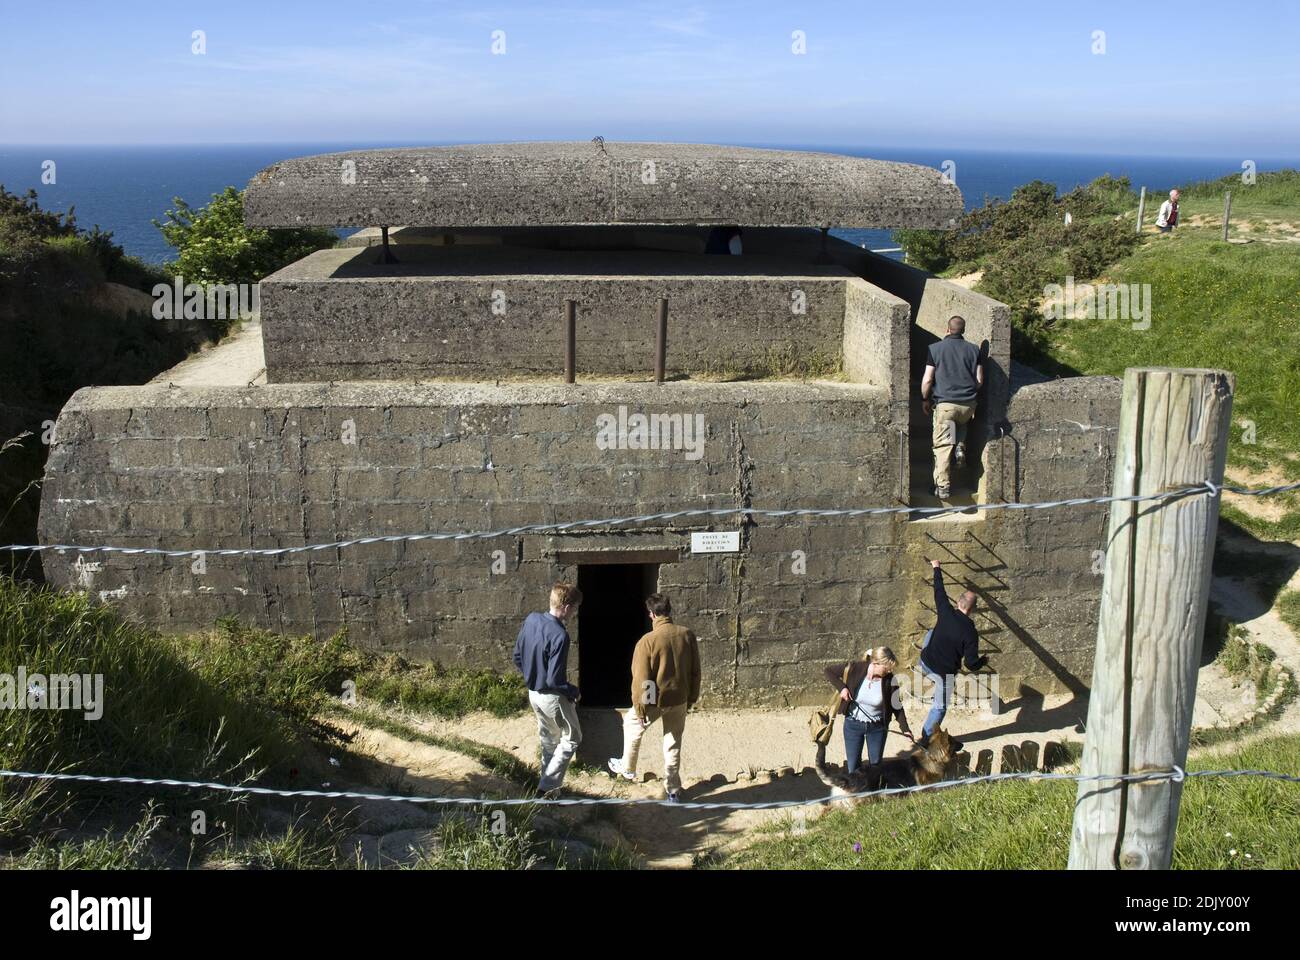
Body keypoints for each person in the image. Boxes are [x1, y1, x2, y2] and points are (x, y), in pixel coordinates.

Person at [607, 593, 701, 803]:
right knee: (673, 742)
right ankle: (673, 790)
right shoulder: (687, 634)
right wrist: (692, 696)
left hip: (656, 699)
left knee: (631, 724)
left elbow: (642, 678)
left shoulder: (647, 641)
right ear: (669, 611)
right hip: (680, 698)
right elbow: (696, 670)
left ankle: (628, 768)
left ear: (651, 614)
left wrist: (641, 708)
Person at [513, 582, 583, 794]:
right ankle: (547, 787)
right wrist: (574, 691)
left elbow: (517, 656)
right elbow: (555, 680)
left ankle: (553, 793)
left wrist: (532, 675)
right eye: (575, 608)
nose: (575, 613)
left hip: (533, 693)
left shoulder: (532, 619)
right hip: (552, 696)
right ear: (567, 607)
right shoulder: (560, 636)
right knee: (572, 738)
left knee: (548, 741)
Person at [918, 560, 986, 742]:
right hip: (943, 673)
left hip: (925, 660)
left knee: (932, 631)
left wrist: (936, 568)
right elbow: (971, 664)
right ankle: (926, 737)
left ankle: (925, 666)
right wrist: (983, 661)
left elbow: (939, 591)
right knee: (939, 706)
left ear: (958, 602)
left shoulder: (945, 611)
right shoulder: (971, 633)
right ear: (972, 610)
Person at [920, 315, 984, 500]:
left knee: (943, 446)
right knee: (961, 423)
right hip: (968, 406)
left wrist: (925, 398)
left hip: (946, 406)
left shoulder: (935, 349)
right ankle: (961, 446)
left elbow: (927, 379)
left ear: (947, 329)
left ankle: (943, 487)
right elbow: (980, 380)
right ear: (963, 330)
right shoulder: (974, 350)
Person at [823, 646, 913, 773]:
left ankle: (873, 792)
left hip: (878, 727)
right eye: (887, 668)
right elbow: (828, 671)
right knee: (853, 767)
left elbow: (897, 707)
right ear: (875, 663)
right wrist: (842, 688)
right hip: (853, 724)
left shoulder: (890, 680)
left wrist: (905, 729)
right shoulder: (855, 668)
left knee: (875, 767)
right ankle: (856, 792)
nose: (889, 671)